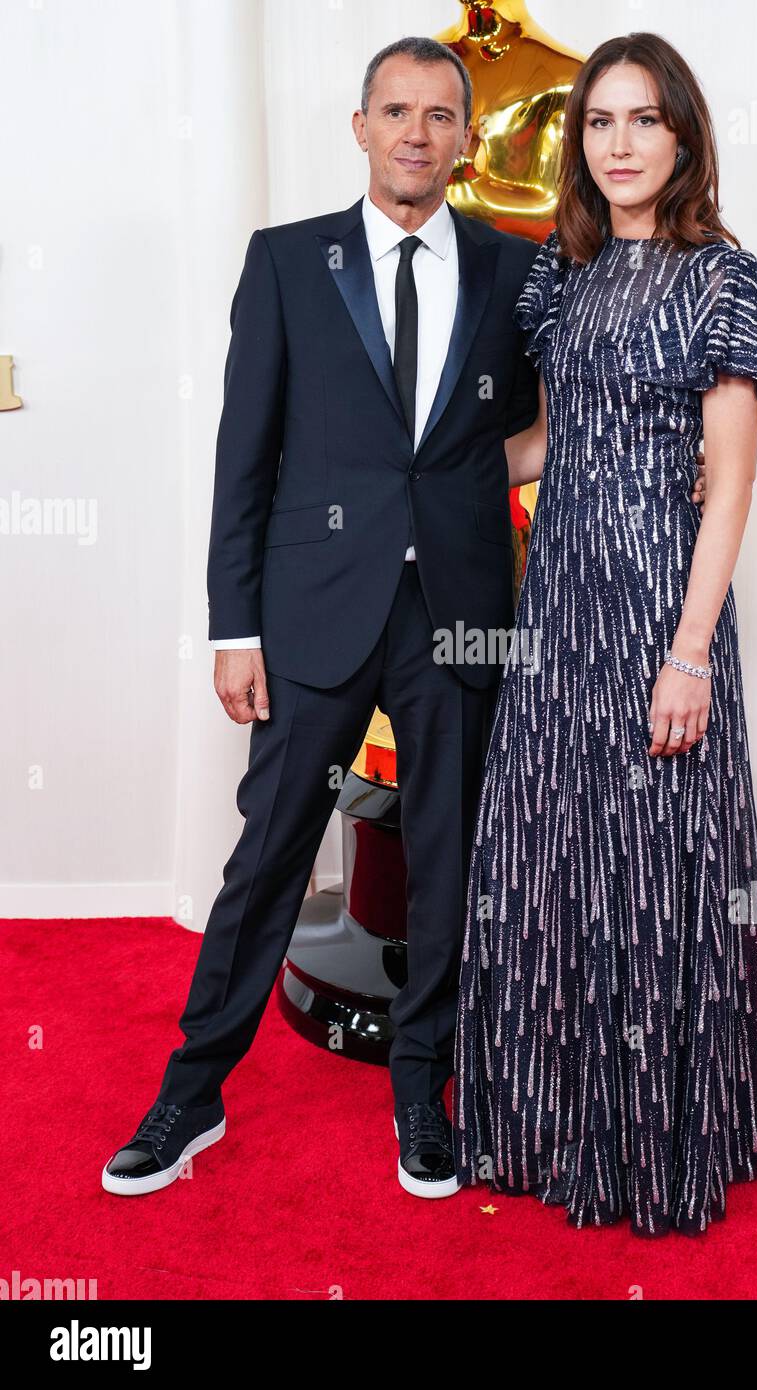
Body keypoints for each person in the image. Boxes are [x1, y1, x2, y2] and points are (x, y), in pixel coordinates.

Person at [100, 36, 546, 1200]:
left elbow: (548, 424)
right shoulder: (290, 260)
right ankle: (189, 1096)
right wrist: (229, 627)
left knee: (449, 857)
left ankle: (421, 1094)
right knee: (270, 857)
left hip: (461, 608)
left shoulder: (512, 270)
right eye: (395, 111)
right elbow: (242, 454)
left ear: (465, 137)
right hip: (310, 609)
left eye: (439, 114)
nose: (416, 132)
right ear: (360, 128)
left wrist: (666, 453)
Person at [454, 31, 757, 1237]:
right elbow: (558, 441)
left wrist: (691, 648)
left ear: (684, 136)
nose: (619, 144)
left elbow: (731, 481)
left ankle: (659, 1138)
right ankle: (551, 1123)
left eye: (643, 120)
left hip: (662, 604)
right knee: (554, 861)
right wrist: (425, 475)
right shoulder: (568, 275)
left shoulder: (725, 279)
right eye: (600, 122)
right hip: (558, 602)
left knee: (657, 872)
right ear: (580, 142)